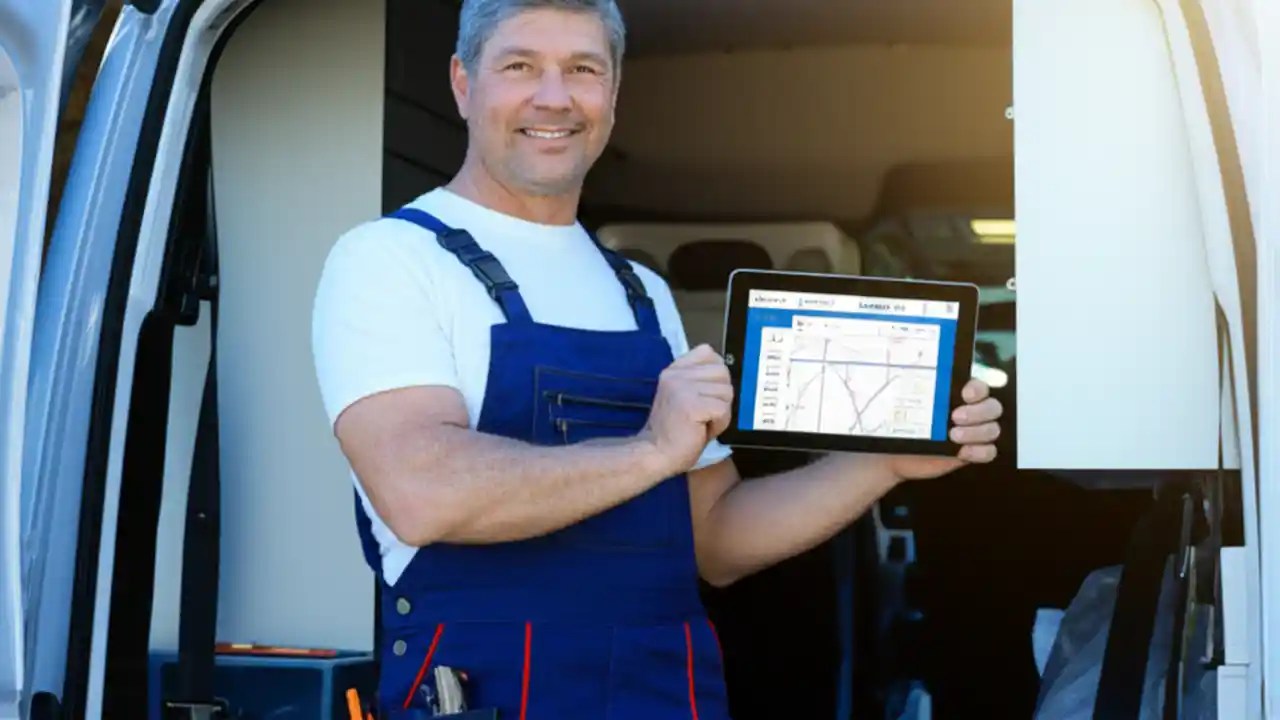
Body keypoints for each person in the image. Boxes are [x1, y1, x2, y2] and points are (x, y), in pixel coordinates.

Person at [310, 0, 1003, 717]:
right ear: (463, 83)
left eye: (583, 69)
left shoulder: (640, 292)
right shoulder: (391, 259)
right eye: (520, 66)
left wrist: (883, 464)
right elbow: (421, 493)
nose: (554, 97)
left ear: (612, 93)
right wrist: (650, 450)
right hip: (487, 695)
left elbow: (717, 538)